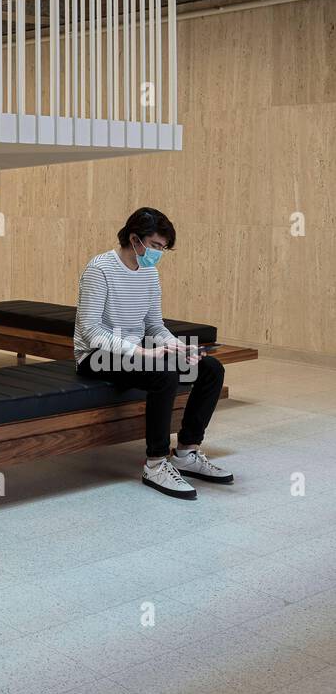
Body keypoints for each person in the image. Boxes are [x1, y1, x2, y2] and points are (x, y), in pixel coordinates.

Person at [74, 207, 233, 500]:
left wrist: (176, 347)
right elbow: (90, 332)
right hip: (95, 356)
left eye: (162, 248)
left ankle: (186, 452)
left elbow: (154, 325)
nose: (158, 253)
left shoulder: (149, 272)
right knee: (164, 374)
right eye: (155, 246)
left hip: (135, 351)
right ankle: (156, 462)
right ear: (135, 239)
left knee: (211, 368)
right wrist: (143, 353)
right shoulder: (100, 270)